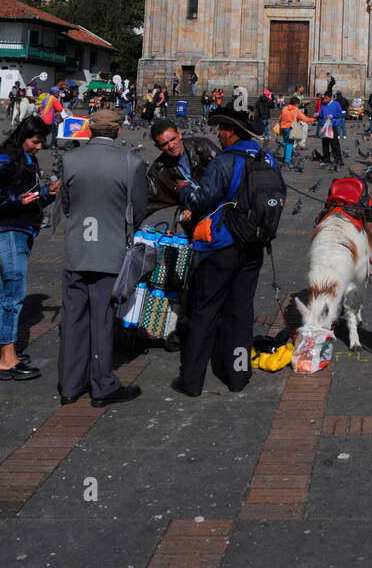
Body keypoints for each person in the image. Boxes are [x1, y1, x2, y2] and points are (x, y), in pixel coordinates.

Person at [173, 102, 281, 396]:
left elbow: (202, 201)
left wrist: (183, 189)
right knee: (240, 312)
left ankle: (191, 381)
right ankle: (238, 376)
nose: (218, 135)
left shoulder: (224, 161)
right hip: (254, 245)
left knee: (205, 312)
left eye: (222, 129)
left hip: (222, 246)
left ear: (232, 132)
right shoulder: (267, 158)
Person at [58, 108, 148, 406]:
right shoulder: (130, 162)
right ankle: (102, 385)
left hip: (76, 251)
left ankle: (70, 385)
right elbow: (138, 208)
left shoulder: (69, 159)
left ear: (89, 131)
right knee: (102, 319)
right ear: (119, 131)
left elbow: (67, 204)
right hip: (110, 253)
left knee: (72, 318)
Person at [0, 115, 60, 380]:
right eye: (36, 141)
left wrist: (46, 193)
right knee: (14, 294)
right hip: (11, 230)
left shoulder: (25, 158)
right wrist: (12, 200)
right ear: (24, 137)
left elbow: (27, 195)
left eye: (42, 142)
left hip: (21, 229)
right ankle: (7, 361)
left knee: (3, 290)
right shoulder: (9, 157)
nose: (39, 147)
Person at [146, 118, 218, 216]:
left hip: (219, 208)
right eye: (165, 144)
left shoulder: (204, 148)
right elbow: (146, 200)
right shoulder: (158, 170)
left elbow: (224, 181)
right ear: (158, 147)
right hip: (192, 217)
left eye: (173, 139)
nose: (171, 146)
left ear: (179, 134)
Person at [278, 96, 312, 165]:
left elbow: (280, 118)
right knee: (290, 144)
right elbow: (304, 119)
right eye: (298, 104)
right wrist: (312, 119)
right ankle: (287, 160)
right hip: (291, 128)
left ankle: (285, 157)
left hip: (283, 128)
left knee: (285, 142)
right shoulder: (296, 110)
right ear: (296, 103)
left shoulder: (284, 108)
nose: (298, 105)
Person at [319, 92, 345, 169]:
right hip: (324, 126)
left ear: (330, 97)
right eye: (324, 98)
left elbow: (340, 114)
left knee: (334, 144)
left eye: (326, 98)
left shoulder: (336, 104)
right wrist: (317, 115)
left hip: (332, 126)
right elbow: (321, 115)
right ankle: (326, 159)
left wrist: (332, 115)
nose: (325, 99)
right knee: (325, 143)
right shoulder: (323, 104)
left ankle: (339, 160)